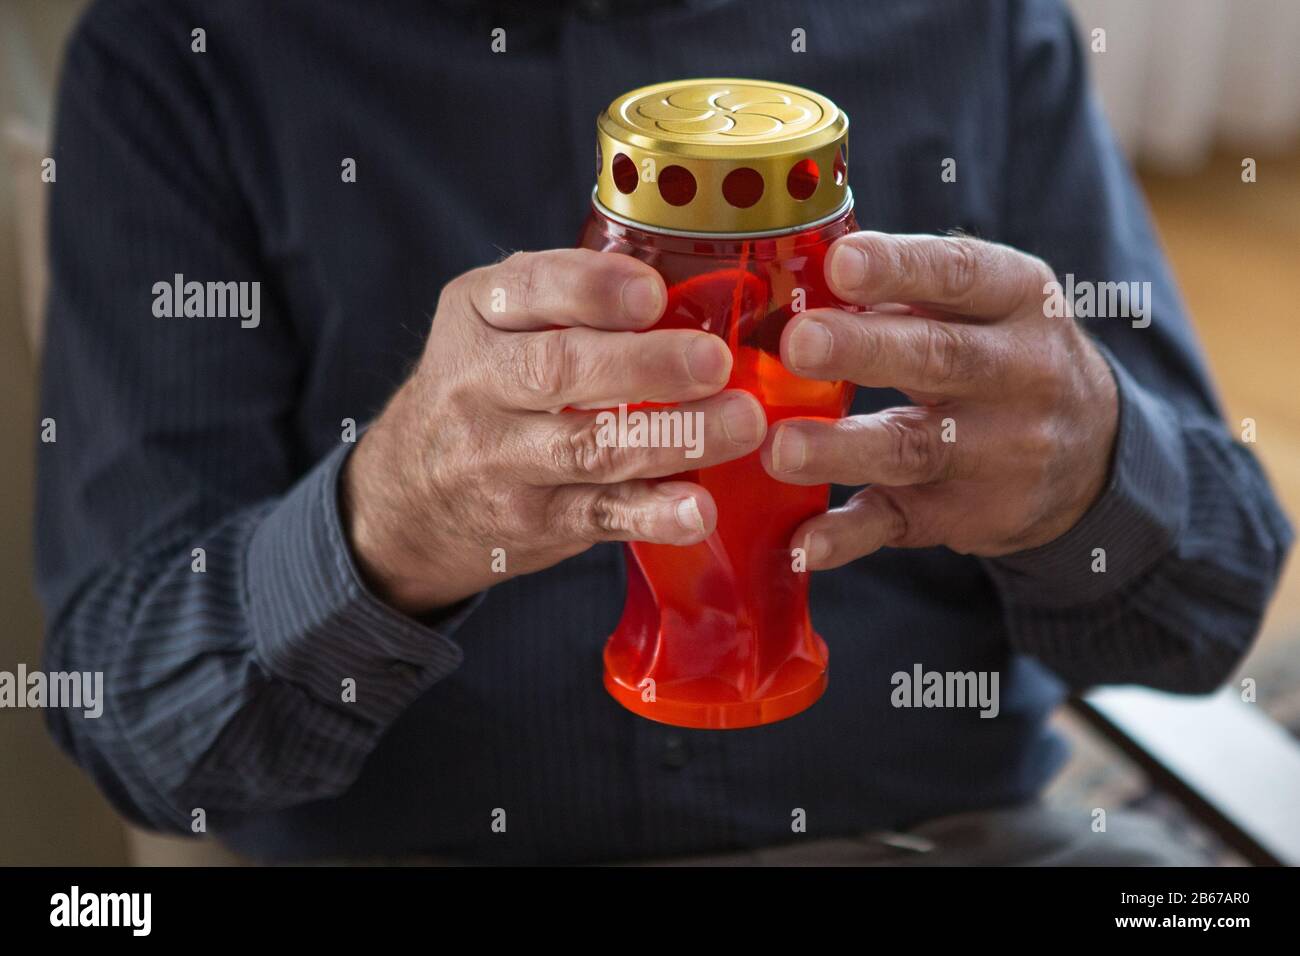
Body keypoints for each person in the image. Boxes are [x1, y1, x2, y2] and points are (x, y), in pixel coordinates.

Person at [35, 0, 1292, 865]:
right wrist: (388, 524)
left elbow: (1208, 610)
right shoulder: (184, 54)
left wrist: (1086, 471)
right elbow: (142, 730)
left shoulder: (969, 20)